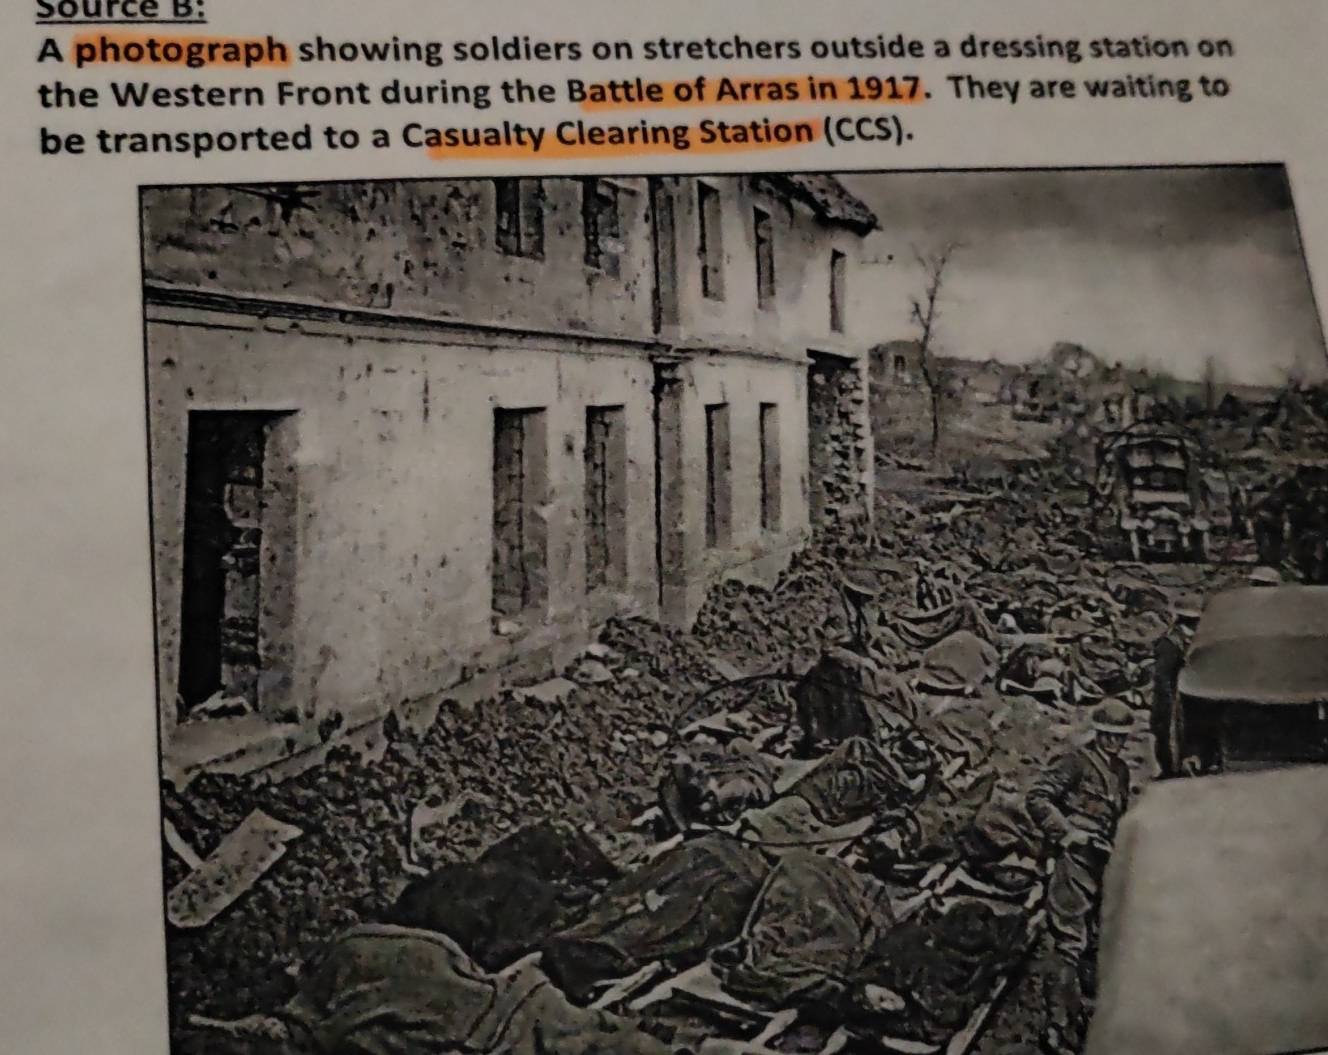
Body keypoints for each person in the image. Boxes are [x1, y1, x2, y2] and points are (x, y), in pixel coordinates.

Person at [1026, 698, 1133, 1051]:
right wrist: (1067, 831)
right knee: (1069, 941)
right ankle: (1056, 1028)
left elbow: (1117, 817)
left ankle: (1084, 1015)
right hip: (1073, 859)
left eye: (1120, 738)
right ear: (1097, 733)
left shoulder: (1120, 772)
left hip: (1101, 859)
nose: (1113, 743)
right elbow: (1038, 797)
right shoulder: (1075, 761)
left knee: (1097, 936)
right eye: (1107, 736)